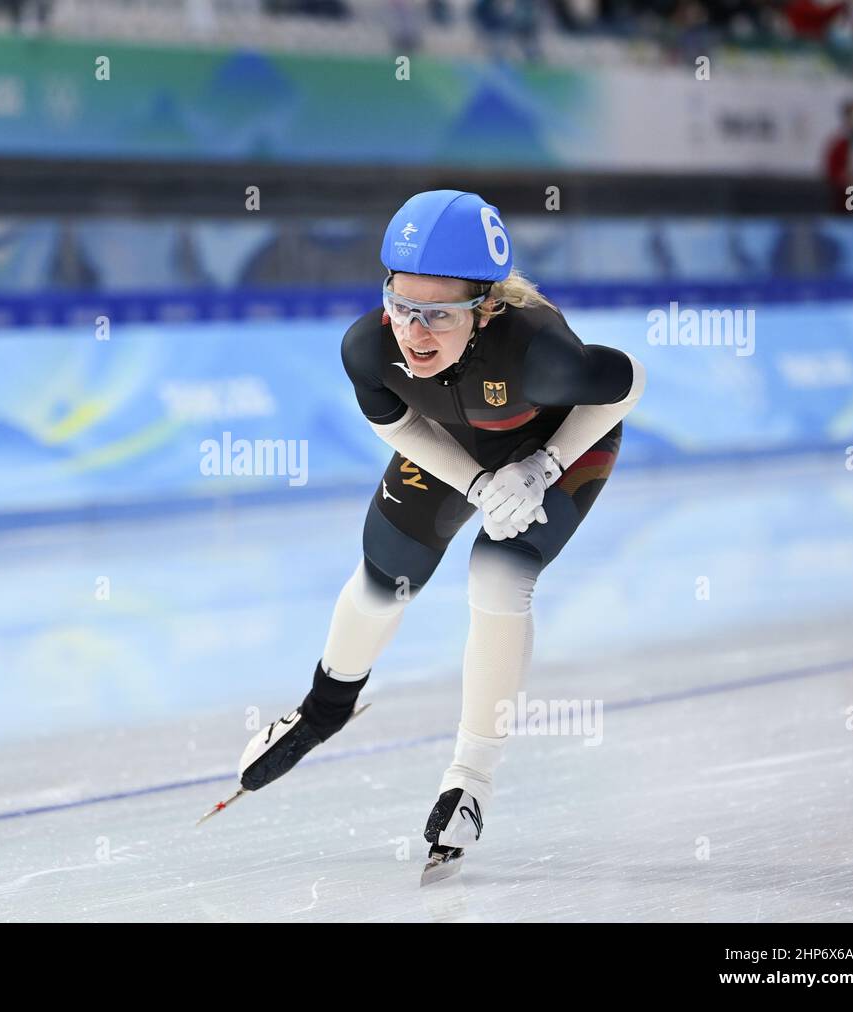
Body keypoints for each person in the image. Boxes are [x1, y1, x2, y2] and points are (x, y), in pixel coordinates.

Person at [235, 190, 646, 878]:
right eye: (402, 305)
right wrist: (479, 483)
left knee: (497, 576)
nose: (414, 333)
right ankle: (324, 708)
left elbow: (626, 386)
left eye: (438, 315)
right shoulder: (369, 347)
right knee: (383, 578)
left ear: (485, 309)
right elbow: (396, 425)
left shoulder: (541, 355)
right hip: (453, 447)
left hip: (562, 449)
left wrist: (542, 467)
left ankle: (471, 780)